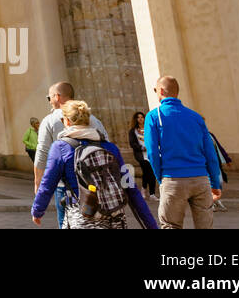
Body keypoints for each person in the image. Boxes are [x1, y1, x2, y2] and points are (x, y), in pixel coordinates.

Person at [31, 99, 156, 230]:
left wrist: (37, 211)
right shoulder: (110, 147)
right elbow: (131, 188)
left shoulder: (61, 147)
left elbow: (48, 184)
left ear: (66, 121)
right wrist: (151, 225)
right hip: (114, 218)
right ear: (88, 121)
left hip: (83, 217)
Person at [143, 76, 222, 229]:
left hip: (173, 178)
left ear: (160, 91)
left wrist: (161, 178)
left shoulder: (153, 116)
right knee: (205, 226)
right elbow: (211, 154)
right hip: (200, 179)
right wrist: (215, 183)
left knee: (171, 225)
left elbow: (152, 153)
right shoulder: (196, 117)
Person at [34, 81, 108, 227]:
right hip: (97, 183)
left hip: (66, 187)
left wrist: (38, 184)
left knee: (68, 223)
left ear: (57, 96)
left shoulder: (49, 121)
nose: (49, 102)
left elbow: (42, 154)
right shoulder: (94, 119)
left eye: (49, 98)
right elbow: (107, 146)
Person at [128, 111, 156, 198]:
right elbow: (132, 143)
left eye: (142, 117)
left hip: (151, 153)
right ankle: (145, 190)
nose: (140, 119)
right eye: (138, 117)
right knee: (147, 171)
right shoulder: (133, 131)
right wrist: (142, 148)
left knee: (151, 172)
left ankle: (151, 193)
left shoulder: (148, 128)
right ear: (136, 119)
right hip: (141, 155)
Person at [210, 132, 233, 211]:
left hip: (215, 163)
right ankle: (210, 202)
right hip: (205, 164)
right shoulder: (196, 135)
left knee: (219, 181)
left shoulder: (210, 135)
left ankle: (216, 199)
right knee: (209, 183)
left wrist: (227, 159)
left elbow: (219, 147)